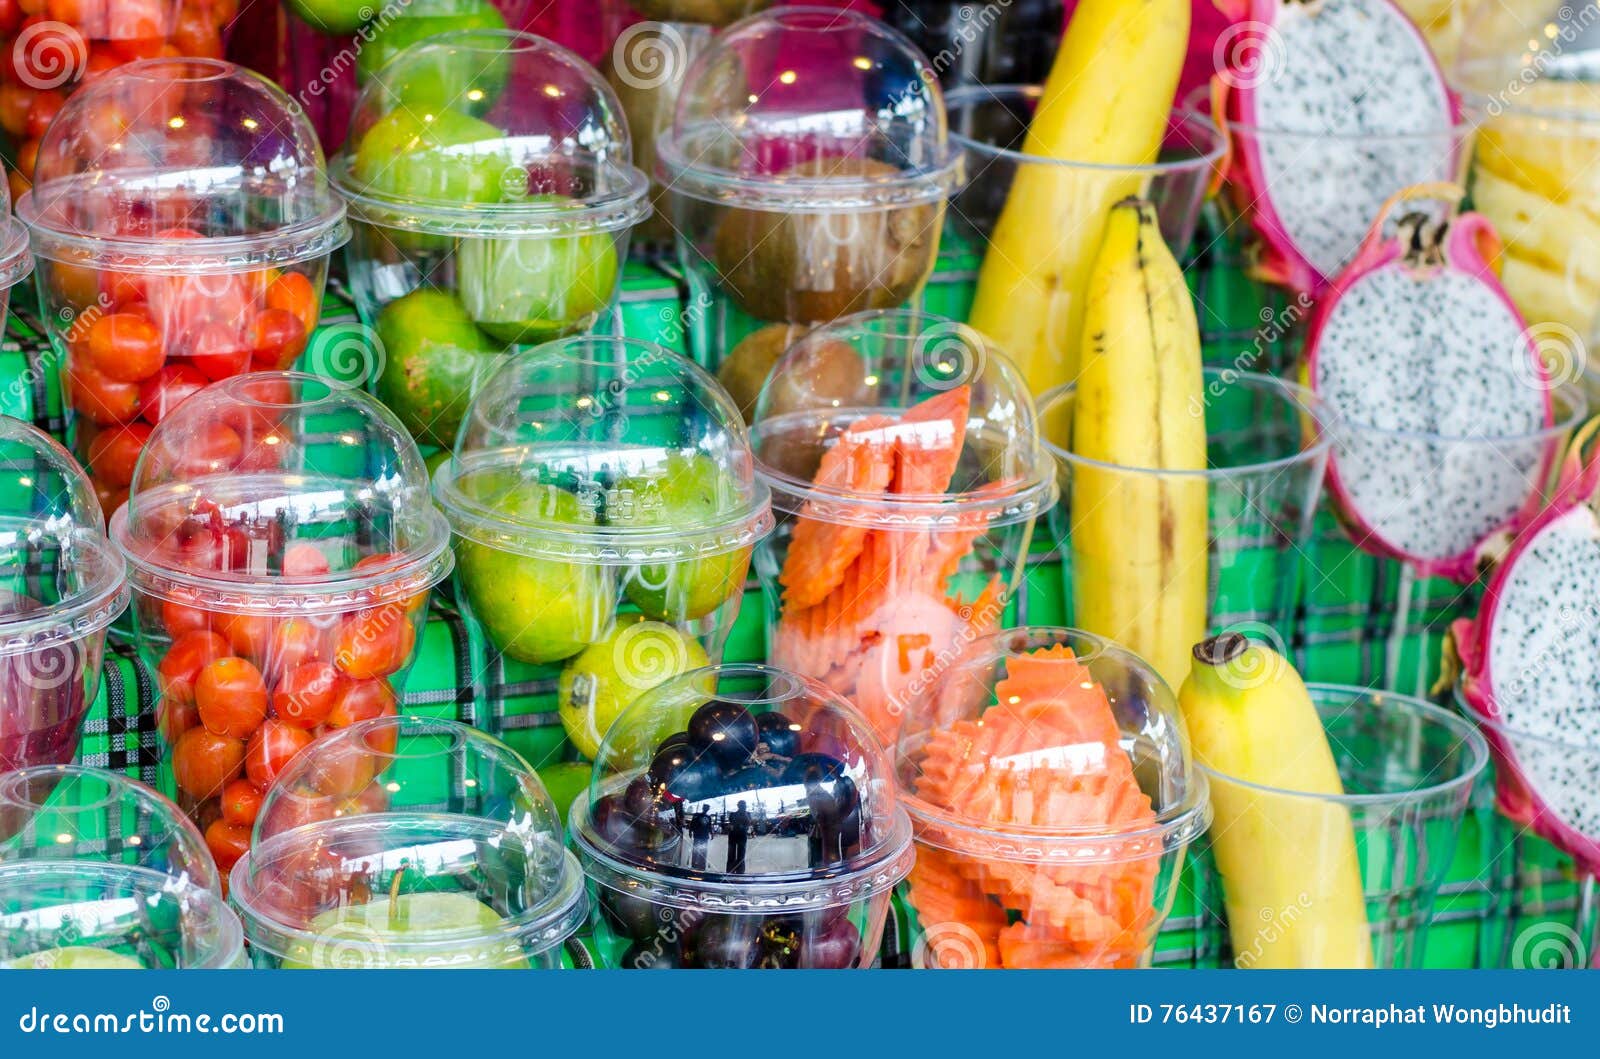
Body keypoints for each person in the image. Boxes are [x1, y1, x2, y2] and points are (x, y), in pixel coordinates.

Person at [726, 799, 751, 874]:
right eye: (741, 805)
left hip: (742, 836)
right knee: (731, 855)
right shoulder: (733, 814)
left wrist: (745, 813)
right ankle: (730, 872)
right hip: (733, 836)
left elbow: (749, 823)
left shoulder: (748, 814)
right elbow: (731, 823)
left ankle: (740, 872)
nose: (743, 807)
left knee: (741, 855)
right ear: (738, 806)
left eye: (744, 805)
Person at [689, 806, 713, 870]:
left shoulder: (709, 817)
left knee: (704, 851)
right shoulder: (697, 815)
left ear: (708, 809)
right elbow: (692, 823)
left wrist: (712, 834)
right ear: (703, 808)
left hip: (705, 836)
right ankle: (693, 864)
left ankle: (702, 865)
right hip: (697, 835)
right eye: (705, 808)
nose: (706, 809)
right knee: (695, 850)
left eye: (707, 808)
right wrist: (690, 831)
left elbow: (709, 826)